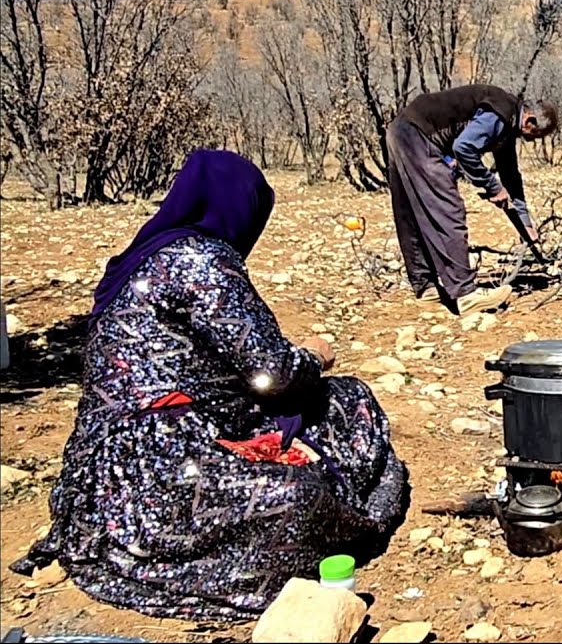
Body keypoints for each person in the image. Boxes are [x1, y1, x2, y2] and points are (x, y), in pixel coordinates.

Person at [10, 150, 410, 620]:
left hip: (97, 479)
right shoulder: (202, 261)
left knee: (328, 411)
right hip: (162, 465)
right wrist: (315, 355)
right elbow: (274, 376)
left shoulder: (143, 259)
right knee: (335, 429)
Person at [387, 84, 558, 316]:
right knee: (447, 210)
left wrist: (525, 223)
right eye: (536, 136)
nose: (532, 141)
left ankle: (425, 287)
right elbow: (464, 147)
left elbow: (510, 177)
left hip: (402, 129)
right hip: (419, 135)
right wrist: (491, 185)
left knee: (411, 211)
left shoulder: (506, 124)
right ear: (530, 120)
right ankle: (466, 295)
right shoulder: (501, 114)